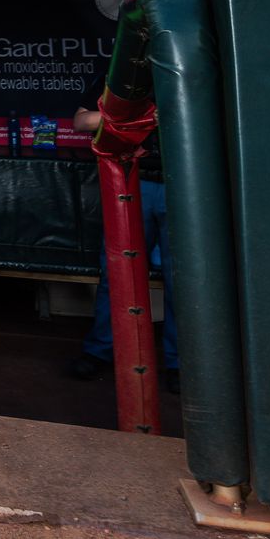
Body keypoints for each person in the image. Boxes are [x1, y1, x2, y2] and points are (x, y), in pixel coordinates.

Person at [69, 103, 178, 393]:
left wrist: (177, 110)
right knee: (118, 274)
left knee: (180, 280)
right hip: (132, 179)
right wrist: (135, 117)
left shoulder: (189, 71)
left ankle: (179, 363)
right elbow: (82, 121)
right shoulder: (125, 75)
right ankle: (101, 351)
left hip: (181, 184)